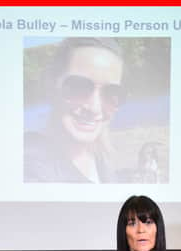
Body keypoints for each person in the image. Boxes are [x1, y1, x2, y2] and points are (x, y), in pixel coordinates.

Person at [24, 37, 124, 183]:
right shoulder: (30, 165)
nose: (94, 108)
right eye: (78, 87)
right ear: (51, 85)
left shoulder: (101, 160)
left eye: (112, 93)